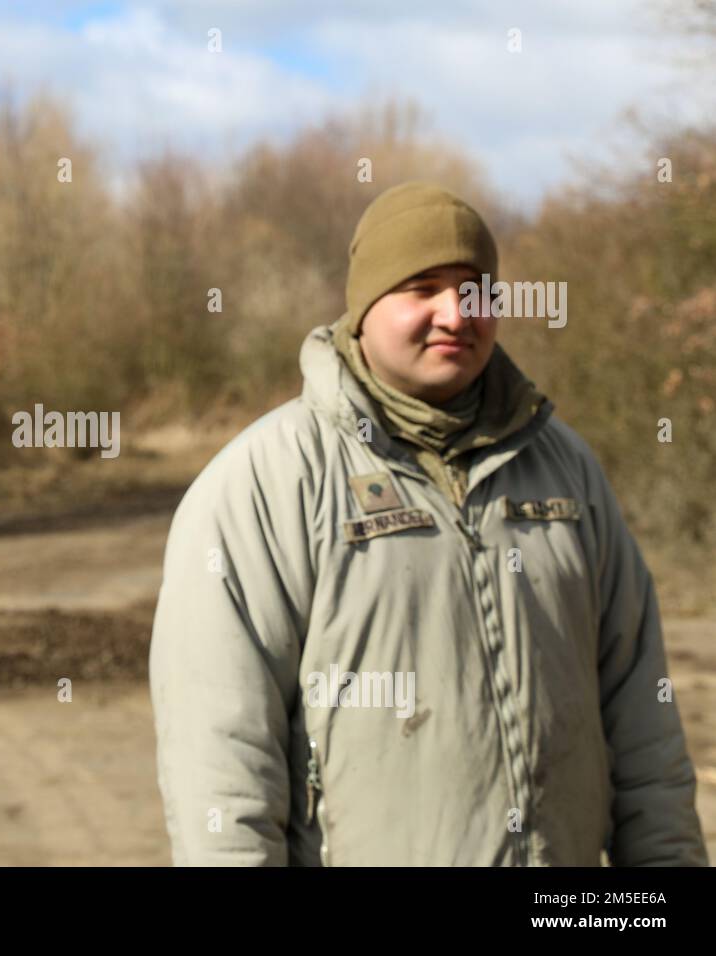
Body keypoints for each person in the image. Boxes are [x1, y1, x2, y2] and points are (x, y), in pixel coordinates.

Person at [149, 181, 708, 866]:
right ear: (364, 308)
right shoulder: (266, 483)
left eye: (475, 290)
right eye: (423, 287)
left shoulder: (567, 469)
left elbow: (641, 715)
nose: (455, 314)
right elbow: (220, 757)